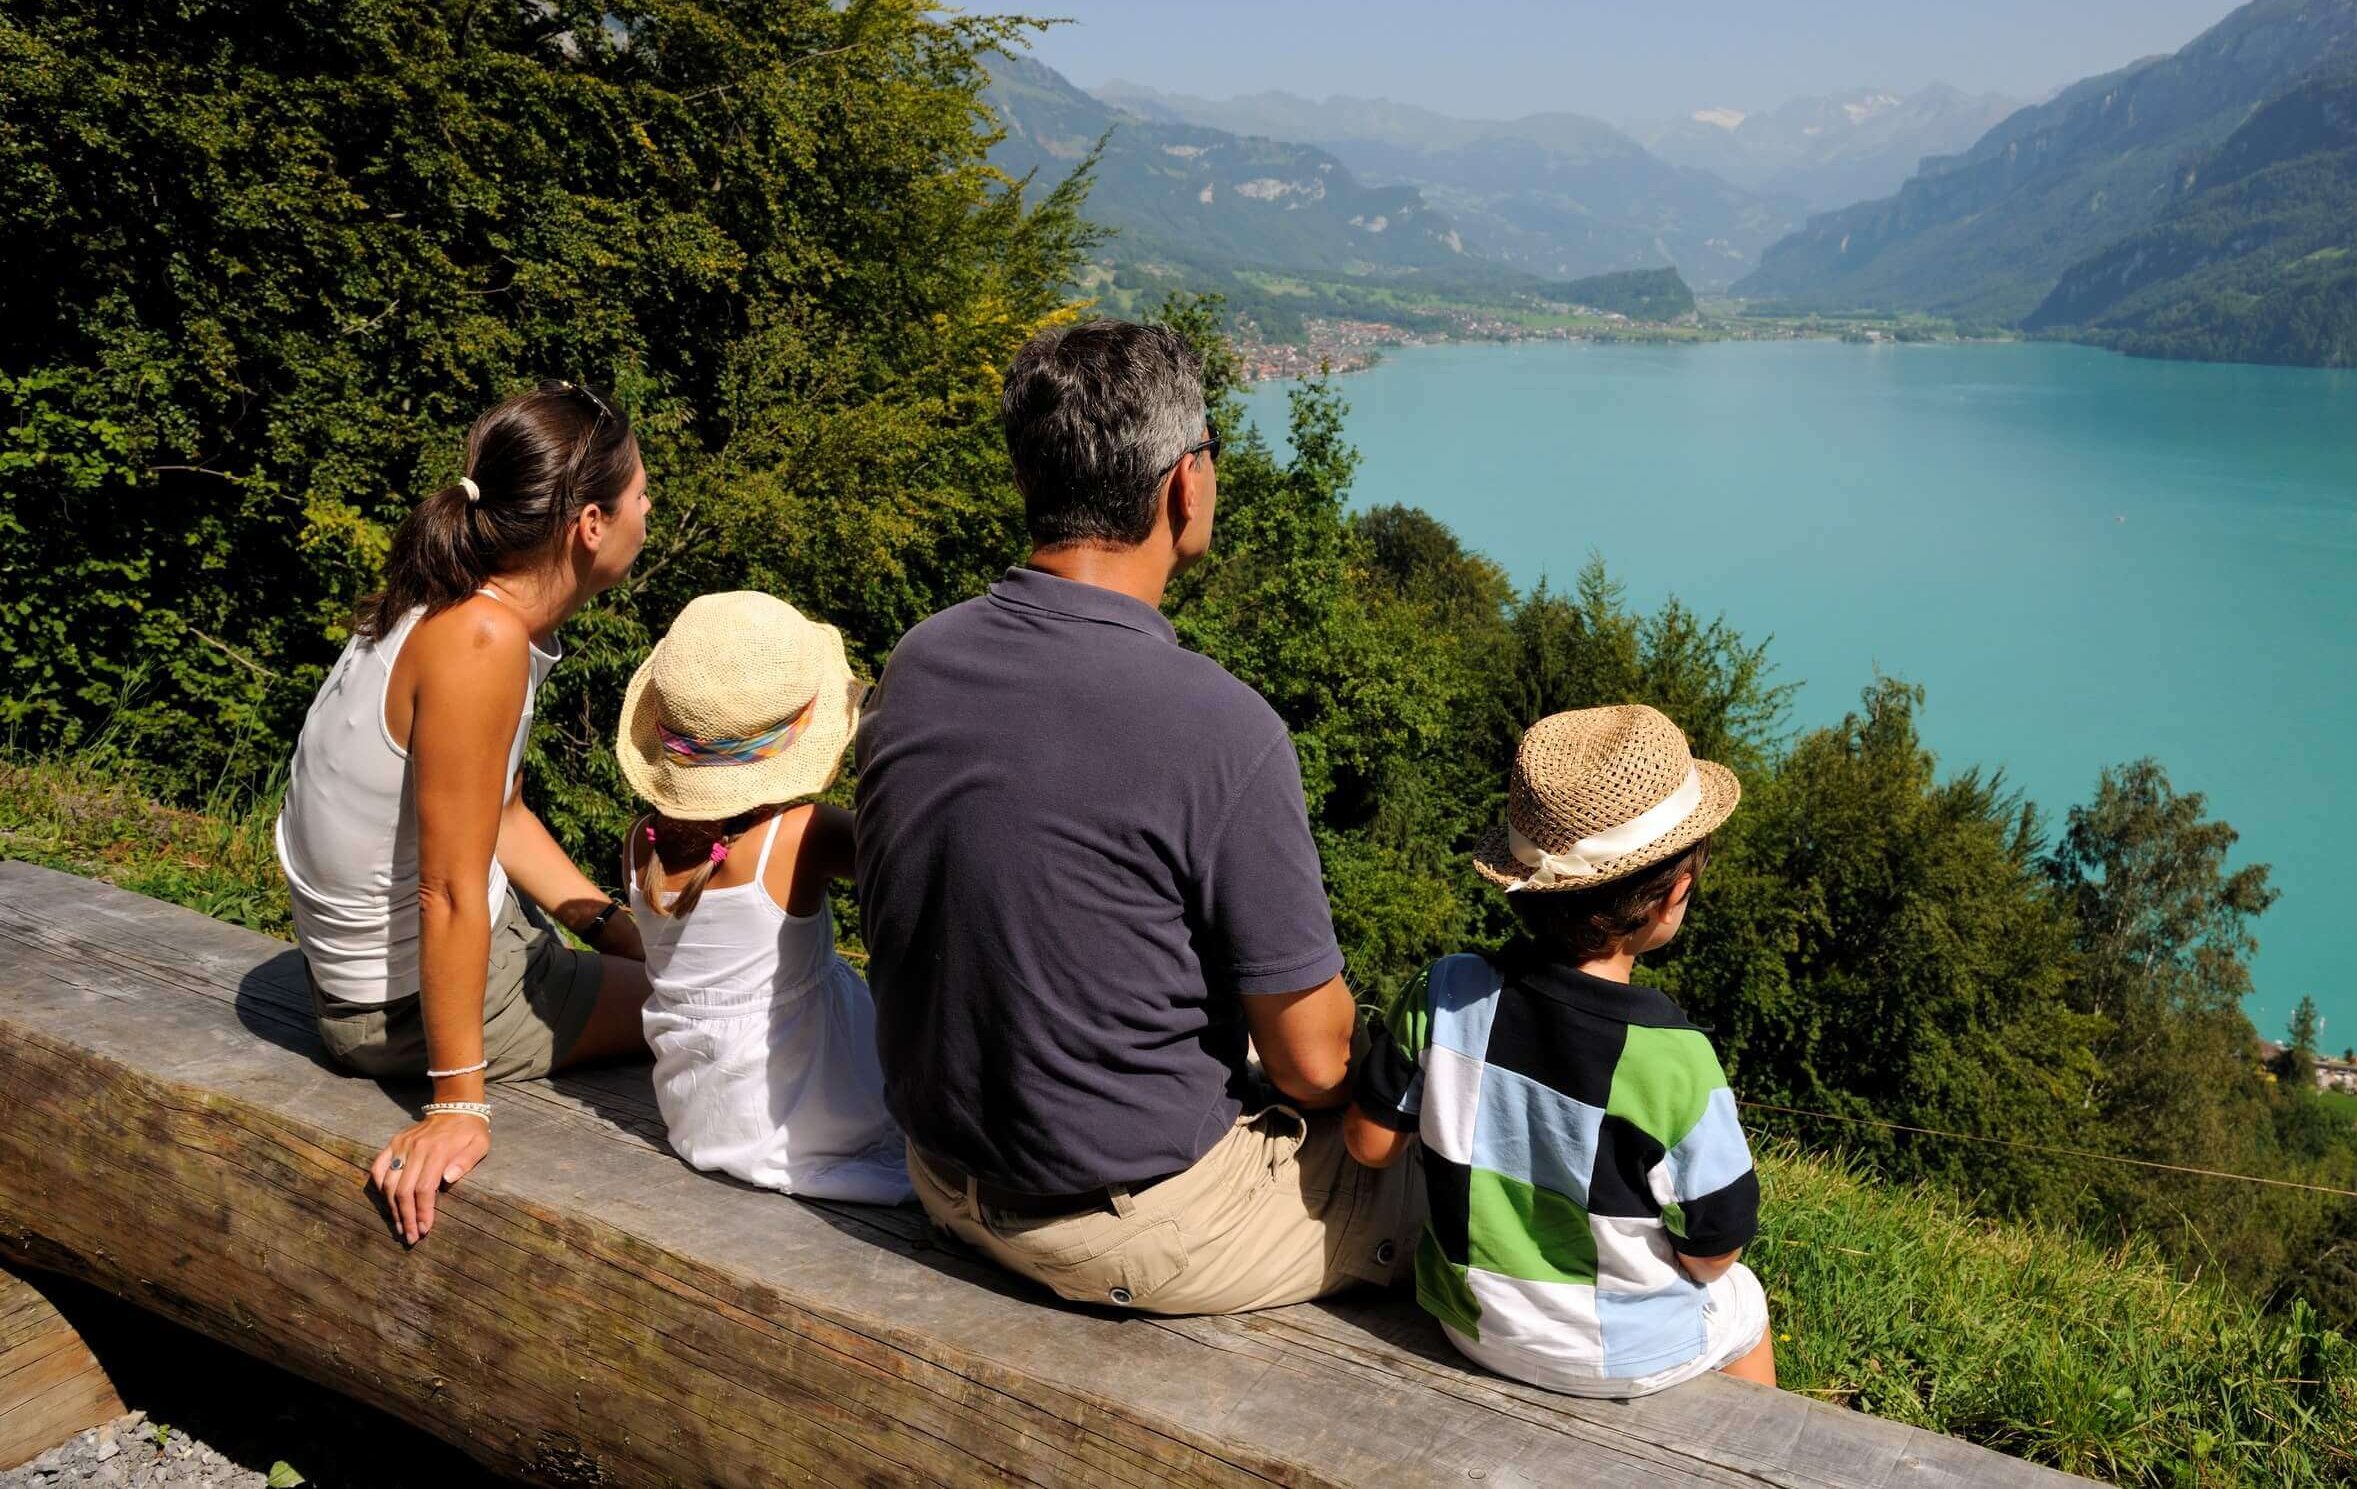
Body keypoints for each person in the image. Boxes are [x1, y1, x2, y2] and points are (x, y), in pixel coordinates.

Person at [855, 317, 1422, 1314]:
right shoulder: (1220, 728)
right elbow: (1316, 1062)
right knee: (1464, 1178)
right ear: (1182, 485)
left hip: (944, 1177)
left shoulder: (918, 662)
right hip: (1131, 1226)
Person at [273, 382, 654, 1245]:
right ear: (589, 524)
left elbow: (501, 810)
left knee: (671, 970)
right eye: (639, 495)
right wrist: (459, 1102)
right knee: (712, 1009)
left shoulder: (444, 597)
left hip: (379, 979)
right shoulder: (484, 641)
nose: (647, 510)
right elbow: (445, 889)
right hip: (409, 1008)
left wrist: (610, 924)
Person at [1344, 703, 1779, 1396]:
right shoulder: (1676, 1058)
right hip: (1620, 1354)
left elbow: (1369, 1144)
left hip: (1470, 1322)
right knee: (1746, 1303)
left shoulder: (1447, 989)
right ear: (1675, 895)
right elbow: (1716, 1248)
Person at [612, 591, 909, 1203]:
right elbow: (911, 864)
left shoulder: (639, 842)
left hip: (700, 1117)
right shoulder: (801, 835)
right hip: (809, 1113)